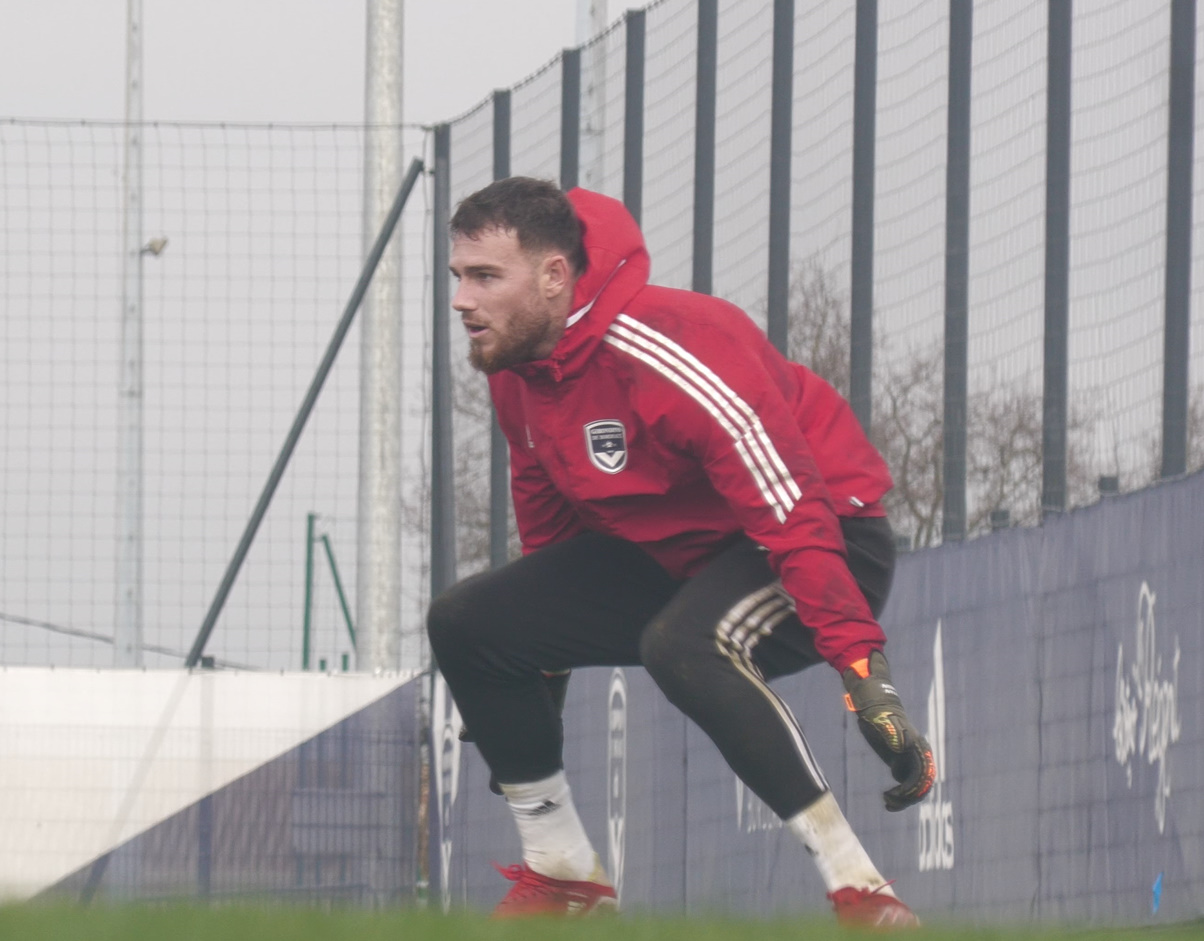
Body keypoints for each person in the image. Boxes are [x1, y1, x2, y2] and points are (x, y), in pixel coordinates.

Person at [427, 177, 935, 926]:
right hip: (675, 556)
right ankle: (565, 876)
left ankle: (861, 888)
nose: (462, 299)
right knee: (467, 621)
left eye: (485, 277)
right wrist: (541, 656)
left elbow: (792, 514)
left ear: (554, 276)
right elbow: (552, 529)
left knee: (683, 644)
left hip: (826, 536)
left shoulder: (673, 344)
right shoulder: (519, 375)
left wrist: (866, 674)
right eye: (458, 276)